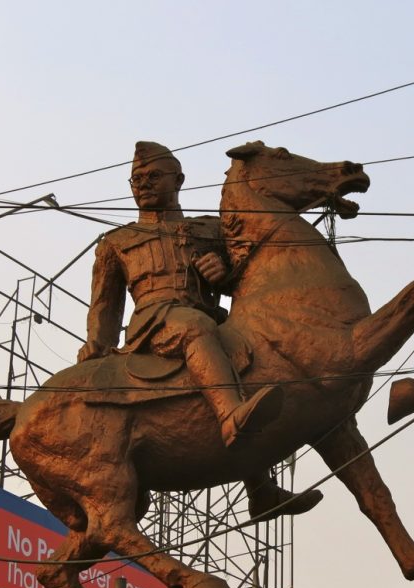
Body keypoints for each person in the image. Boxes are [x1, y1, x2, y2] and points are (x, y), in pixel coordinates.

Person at [79, 141, 321, 518]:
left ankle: (261, 490)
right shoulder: (117, 243)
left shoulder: (210, 229)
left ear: (179, 180)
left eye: (153, 177)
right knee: (194, 327)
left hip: (213, 320)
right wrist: (96, 347)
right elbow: (105, 309)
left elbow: (248, 279)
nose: (142, 185)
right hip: (155, 326)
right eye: (136, 179)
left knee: (257, 357)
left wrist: (222, 275)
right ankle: (230, 417)